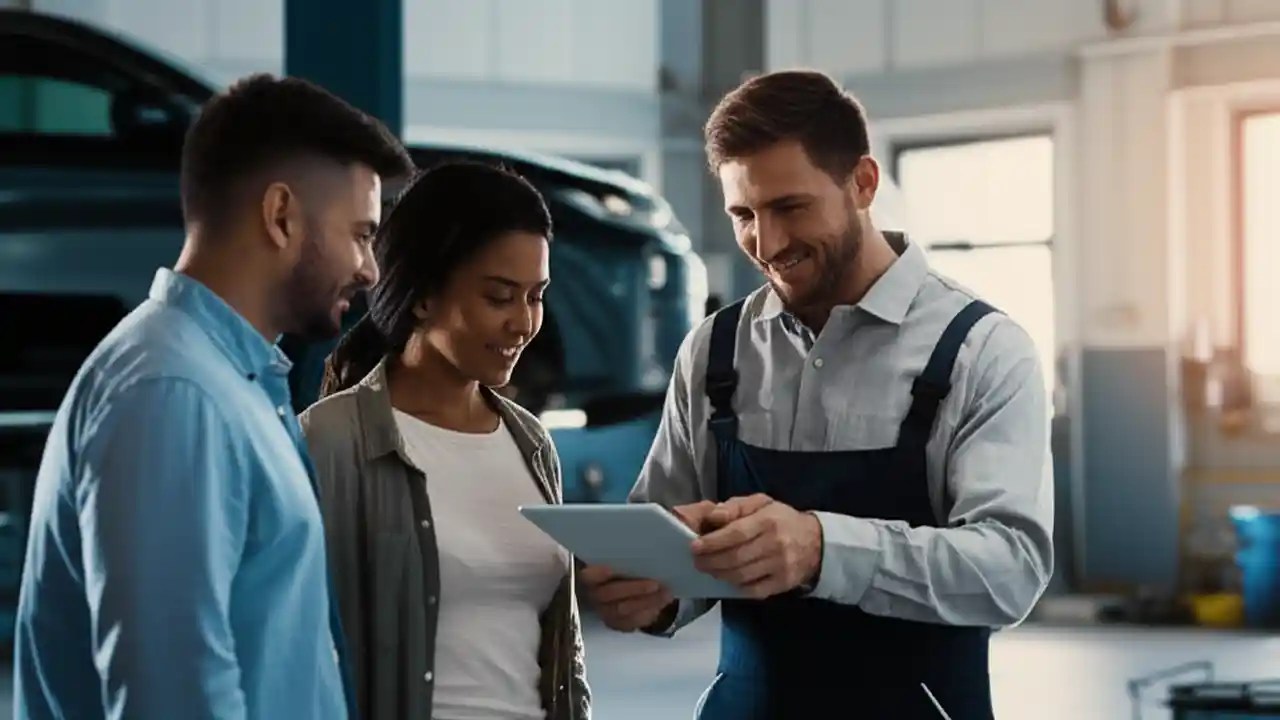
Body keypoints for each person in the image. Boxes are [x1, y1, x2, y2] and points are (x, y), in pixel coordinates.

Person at [580, 69, 1055, 719]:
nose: (767, 244)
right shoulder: (714, 351)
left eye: (789, 208)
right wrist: (653, 593)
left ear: (862, 183)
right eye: (744, 215)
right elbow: (669, 543)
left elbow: (1011, 569)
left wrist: (821, 549)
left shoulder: (982, 350)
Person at [12, 73, 414, 720]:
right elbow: (171, 699)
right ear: (280, 215)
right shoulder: (172, 394)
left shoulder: (230, 381)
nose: (370, 269)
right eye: (362, 234)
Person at [298, 161, 591, 720]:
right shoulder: (332, 441)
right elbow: (302, 649)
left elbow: (560, 655)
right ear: (423, 295)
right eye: (500, 296)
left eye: (537, 296)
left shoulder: (529, 442)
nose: (524, 323)